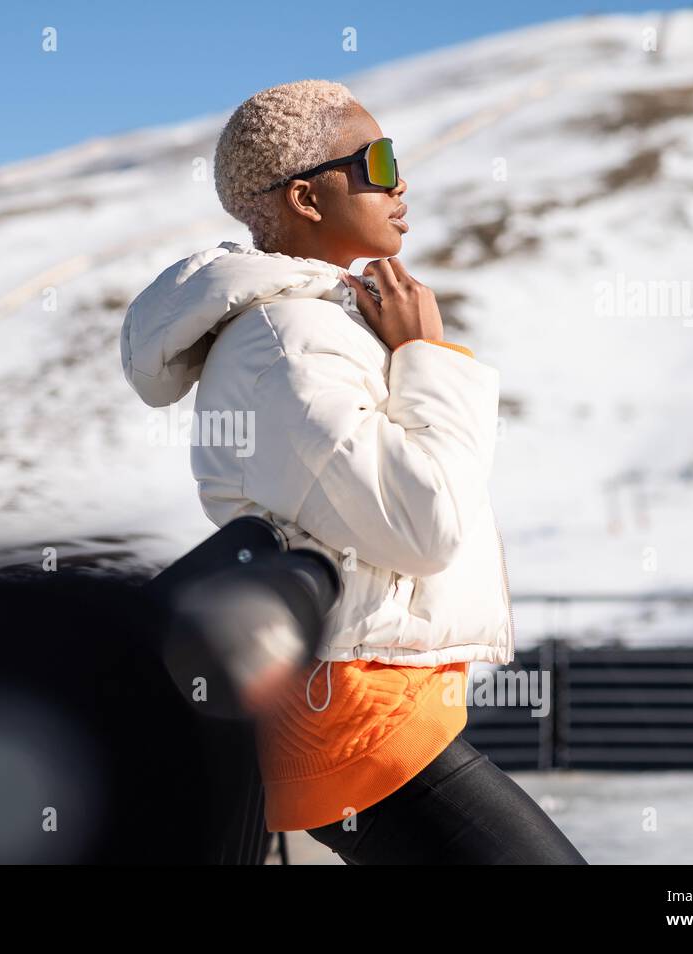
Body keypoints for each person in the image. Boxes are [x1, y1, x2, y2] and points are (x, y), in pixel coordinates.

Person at [120, 79, 586, 864]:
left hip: (383, 708)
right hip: (357, 724)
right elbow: (421, 525)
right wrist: (425, 358)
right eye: (377, 160)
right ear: (305, 197)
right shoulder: (285, 342)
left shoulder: (318, 324)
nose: (400, 182)